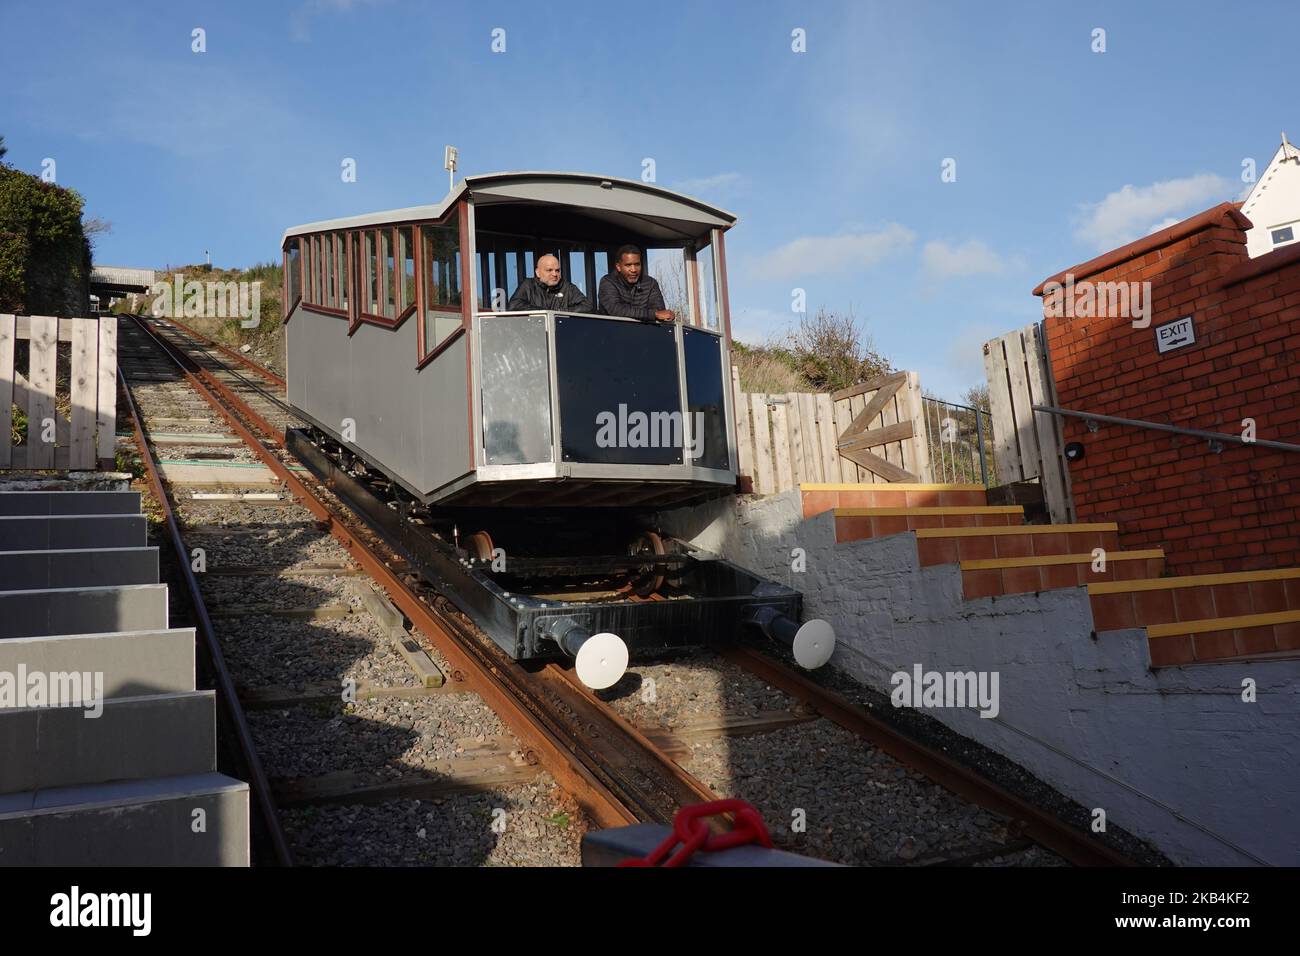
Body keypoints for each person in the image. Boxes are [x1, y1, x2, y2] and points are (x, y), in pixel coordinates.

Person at [597, 245, 674, 322]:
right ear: (618, 267)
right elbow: (617, 310)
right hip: (612, 331)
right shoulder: (608, 282)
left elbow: (660, 312)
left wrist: (658, 314)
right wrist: (653, 314)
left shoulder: (651, 283)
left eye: (637, 264)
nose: (633, 270)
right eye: (628, 265)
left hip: (645, 331)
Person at [506, 254, 591, 312]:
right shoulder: (528, 285)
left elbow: (587, 307)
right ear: (538, 272)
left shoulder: (568, 288)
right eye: (549, 270)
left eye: (557, 270)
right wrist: (544, 312)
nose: (554, 274)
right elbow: (514, 306)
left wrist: (560, 312)